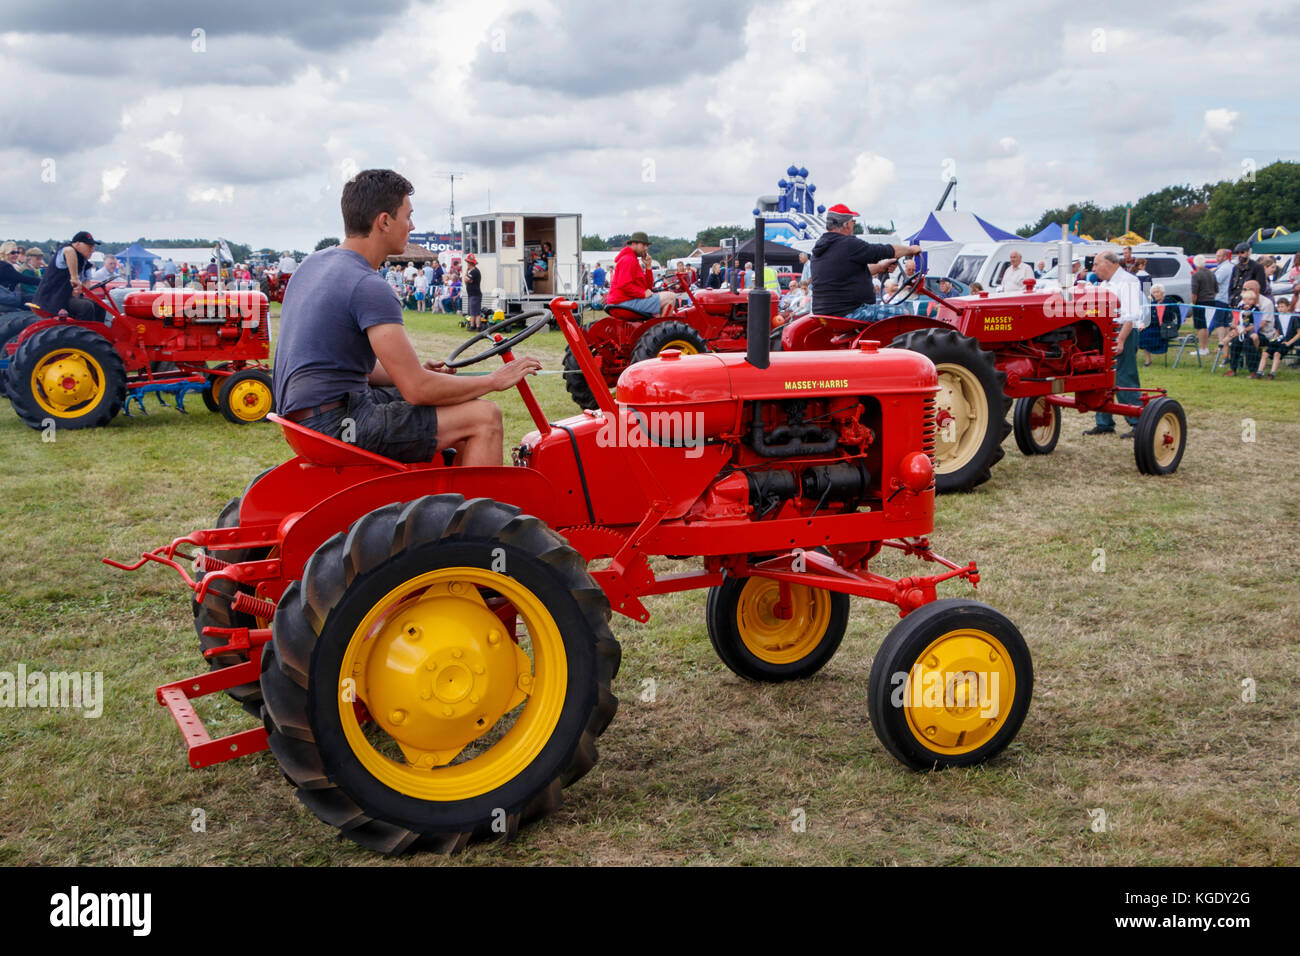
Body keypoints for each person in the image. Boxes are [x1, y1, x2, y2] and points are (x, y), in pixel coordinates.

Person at [272, 168, 539, 466]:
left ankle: (451, 498)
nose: (412, 225)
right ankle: (477, 513)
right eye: (408, 216)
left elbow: (339, 366)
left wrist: (417, 372)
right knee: (485, 417)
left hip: (305, 425)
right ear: (384, 221)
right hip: (339, 426)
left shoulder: (312, 265)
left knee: (456, 401)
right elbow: (418, 389)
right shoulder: (368, 285)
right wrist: (494, 380)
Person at [810, 203, 920, 319]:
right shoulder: (848, 244)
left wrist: (880, 267)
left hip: (825, 314)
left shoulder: (820, 248)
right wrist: (911, 249)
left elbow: (847, 271)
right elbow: (883, 251)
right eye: (853, 222)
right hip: (850, 312)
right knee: (905, 315)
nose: (853, 225)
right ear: (847, 224)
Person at [1084, 250, 1143, 437]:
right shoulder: (1105, 284)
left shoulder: (1128, 281)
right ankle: (1104, 422)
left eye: (1096, 264)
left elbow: (1131, 315)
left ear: (1108, 264)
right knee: (1102, 377)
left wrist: (1121, 340)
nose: (1093, 269)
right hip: (1105, 333)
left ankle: (1138, 422)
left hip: (1121, 332)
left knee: (1124, 377)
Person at [33, 231, 104, 322]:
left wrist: (80, 289)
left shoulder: (85, 262)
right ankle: (83, 333)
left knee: (100, 306)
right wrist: (74, 278)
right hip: (53, 298)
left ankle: (100, 333)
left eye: (93, 247)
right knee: (86, 306)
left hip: (67, 297)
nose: (92, 250)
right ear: (77, 244)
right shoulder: (67, 251)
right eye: (89, 246)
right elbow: (69, 251)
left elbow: (87, 281)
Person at [607, 232, 672, 317]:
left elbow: (647, 287)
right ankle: (664, 329)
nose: (646, 248)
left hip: (624, 301)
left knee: (658, 314)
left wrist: (648, 267)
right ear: (634, 244)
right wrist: (642, 294)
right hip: (622, 302)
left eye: (647, 246)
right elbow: (624, 284)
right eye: (643, 245)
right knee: (670, 297)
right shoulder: (628, 260)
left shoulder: (632, 259)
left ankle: (659, 328)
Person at [1253, 297, 1298, 379]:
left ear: (1288, 307)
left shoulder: (1293, 318)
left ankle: (1272, 373)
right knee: (1265, 353)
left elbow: (1299, 333)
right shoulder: (1278, 318)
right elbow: (1277, 331)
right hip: (1279, 340)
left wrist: (1289, 342)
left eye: (1282, 306)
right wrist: (1273, 339)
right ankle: (1259, 372)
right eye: (1279, 307)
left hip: (1289, 341)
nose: (1280, 309)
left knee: (1277, 354)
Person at [1139, 284, 1179, 365]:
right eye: (1154, 292)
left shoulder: (1170, 302)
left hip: (1166, 327)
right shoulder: (1153, 304)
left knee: (1149, 334)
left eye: (1158, 292)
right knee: (1141, 333)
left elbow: (1177, 317)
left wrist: (1176, 327)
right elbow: (1147, 317)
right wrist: (1142, 324)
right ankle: (1148, 360)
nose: (1156, 294)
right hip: (1154, 326)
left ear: (1163, 293)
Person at [1189, 254, 1217, 357]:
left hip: (1200, 302)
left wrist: (1193, 303)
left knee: (1200, 326)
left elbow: (1194, 292)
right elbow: (1216, 289)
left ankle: (1202, 348)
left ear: (1195, 263)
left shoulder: (1196, 275)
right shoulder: (1211, 274)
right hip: (1211, 301)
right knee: (1207, 325)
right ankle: (1206, 347)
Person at [463, 253, 483, 330]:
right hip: (472, 294)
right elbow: (466, 281)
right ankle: (473, 326)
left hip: (475, 294)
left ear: (471, 263)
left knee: (476, 312)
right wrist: (466, 275)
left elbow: (466, 279)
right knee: (473, 311)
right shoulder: (471, 272)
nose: (467, 265)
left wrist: (466, 277)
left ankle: (476, 326)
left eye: (468, 263)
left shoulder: (474, 272)